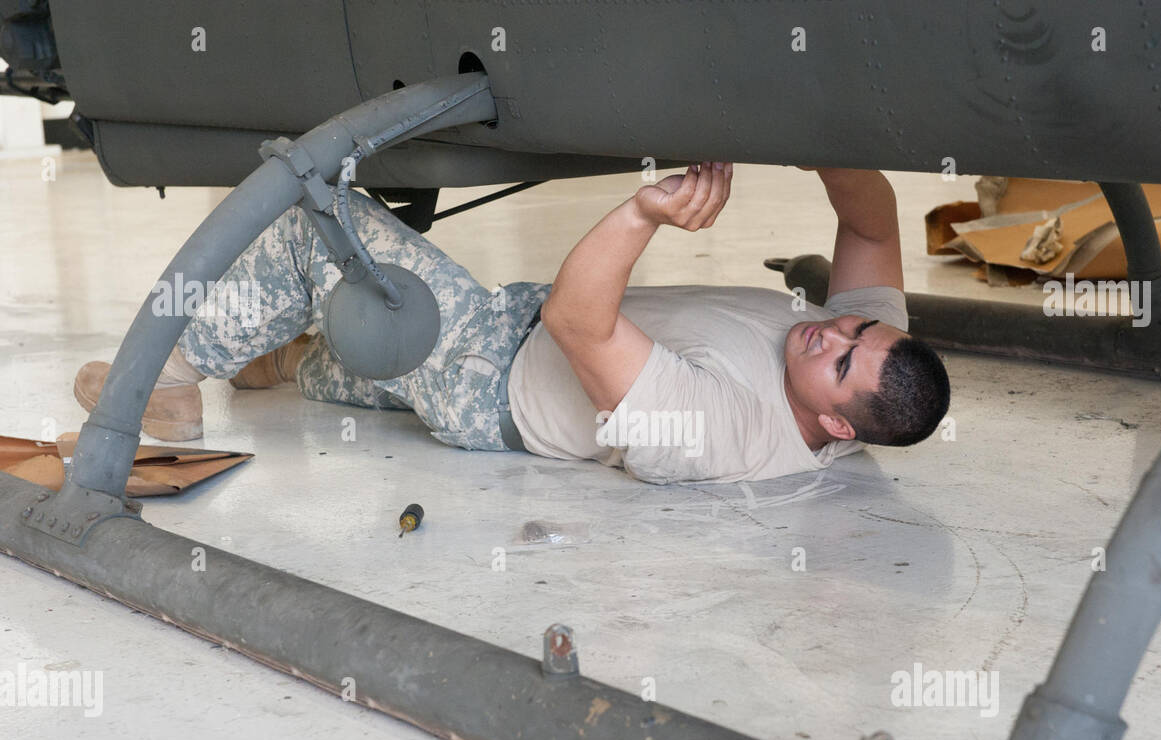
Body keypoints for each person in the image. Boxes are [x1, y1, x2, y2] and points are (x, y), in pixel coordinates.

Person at [74, 164, 949, 484]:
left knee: (321, 224)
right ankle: (285, 363)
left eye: (841, 362)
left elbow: (579, 321)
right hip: (512, 338)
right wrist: (811, 131)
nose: (829, 334)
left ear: (834, 425)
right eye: (854, 333)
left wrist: (645, 212)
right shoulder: (871, 384)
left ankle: (168, 374)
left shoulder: (725, 431)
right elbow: (872, 222)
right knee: (347, 353)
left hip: (490, 373)